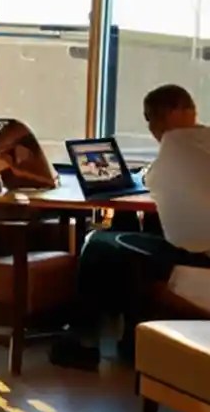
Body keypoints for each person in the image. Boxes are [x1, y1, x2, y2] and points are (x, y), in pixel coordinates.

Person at [50, 84, 210, 370]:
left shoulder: (176, 148)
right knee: (139, 235)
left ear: (165, 117)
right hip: (199, 250)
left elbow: (156, 183)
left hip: (199, 258)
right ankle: (131, 338)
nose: (151, 128)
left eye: (150, 118)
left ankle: (82, 341)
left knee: (99, 241)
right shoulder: (201, 141)